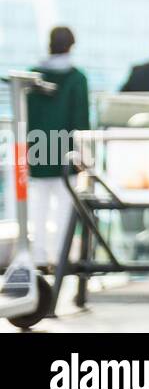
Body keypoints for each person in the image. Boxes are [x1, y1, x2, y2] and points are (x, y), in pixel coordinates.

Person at [27, 26, 90, 268]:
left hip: (38, 148)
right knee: (64, 209)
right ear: (71, 45)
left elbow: (26, 117)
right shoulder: (77, 79)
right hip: (66, 151)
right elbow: (81, 122)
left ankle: (39, 257)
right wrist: (84, 155)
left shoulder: (32, 77)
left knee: (38, 206)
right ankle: (62, 257)